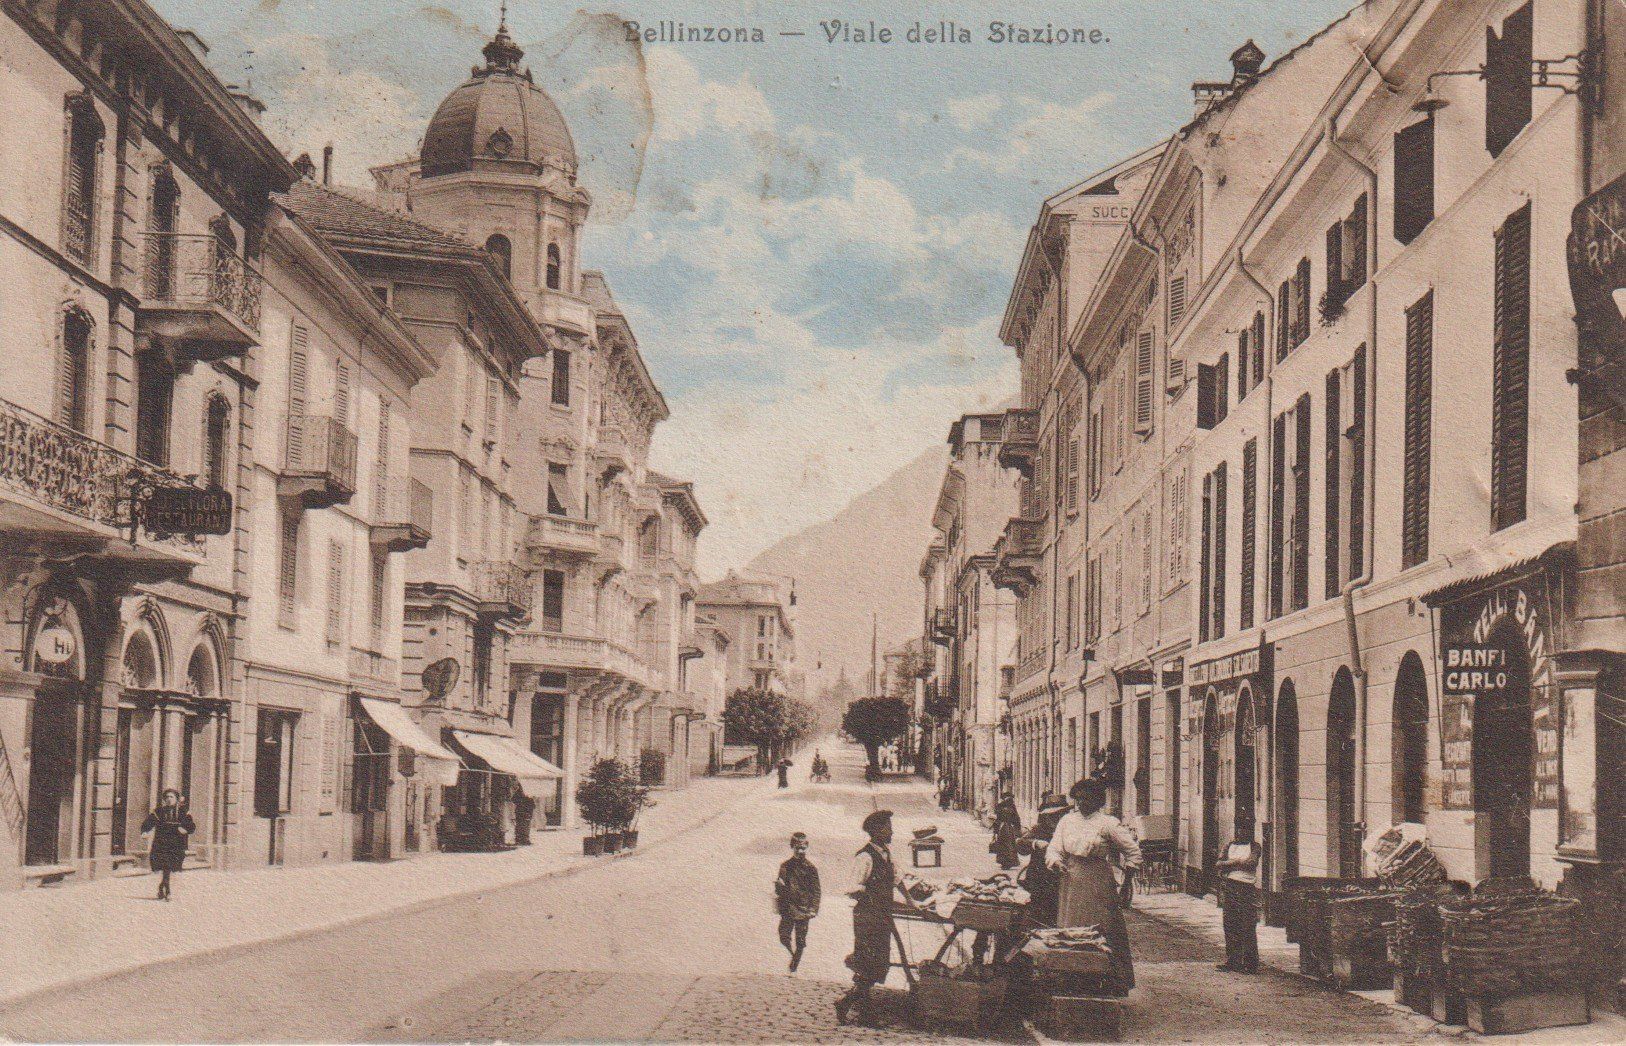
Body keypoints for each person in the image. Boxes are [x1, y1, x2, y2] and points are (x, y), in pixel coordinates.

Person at [1046, 778, 1141, 994]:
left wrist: (1127, 882)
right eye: (1078, 798)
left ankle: (1104, 981)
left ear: (1098, 800)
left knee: (1102, 928)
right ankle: (1072, 980)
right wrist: (1056, 862)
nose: (1082, 803)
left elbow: (1133, 852)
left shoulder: (1108, 823)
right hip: (1071, 879)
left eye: (1087, 798)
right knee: (1071, 928)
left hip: (1098, 881)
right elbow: (1054, 849)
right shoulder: (1066, 821)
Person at [836, 809, 897, 1026]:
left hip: (881, 915)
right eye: (888, 828)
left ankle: (848, 1003)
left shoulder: (886, 854)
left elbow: (897, 881)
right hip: (867, 917)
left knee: (879, 961)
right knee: (868, 961)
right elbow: (852, 888)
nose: (892, 832)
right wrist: (872, 895)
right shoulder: (864, 857)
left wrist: (913, 903)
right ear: (877, 831)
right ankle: (863, 1012)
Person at [1018, 793, 1072, 927]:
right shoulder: (1039, 829)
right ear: (1045, 816)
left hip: (1064, 877)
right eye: (1052, 815)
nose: (1056, 818)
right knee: (1039, 913)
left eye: (1060, 814)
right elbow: (1020, 845)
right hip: (1040, 878)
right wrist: (1035, 843)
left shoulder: (1070, 828)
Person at [775, 832, 822, 972]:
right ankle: (793, 956)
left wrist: (814, 909)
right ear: (792, 847)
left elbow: (817, 890)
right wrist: (779, 887)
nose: (801, 851)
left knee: (800, 941)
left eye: (803, 848)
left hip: (804, 908)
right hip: (788, 908)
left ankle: (794, 965)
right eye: (797, 848)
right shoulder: (785, 866)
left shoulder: (811, 868)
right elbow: (779, 888)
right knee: (784, 937)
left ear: (807, 847)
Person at [1215, 830, 1260, 974]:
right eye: (1239, 829)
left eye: (1245, 828)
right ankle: (1233, 961)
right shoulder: (1228, 846)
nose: (1241, 833)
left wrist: (1230, 865)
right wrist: (1237, 862)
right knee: (1230, 924)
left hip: (1247, 889)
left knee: (1247, 925)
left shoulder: (1255, 846)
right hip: (1230, 887)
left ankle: (1250, 963)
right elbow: (1219, 863)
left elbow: (1251, 863)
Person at [141, 788, 195, 901]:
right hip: (161, 842)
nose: (169, 799)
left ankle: (163, 886)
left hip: (176, 843)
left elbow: (191, 825)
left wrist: (184, 829)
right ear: (164, 799)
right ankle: (167, 889)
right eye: (167, 797)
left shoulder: (183, 811)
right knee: (166, 866)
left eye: (172, 797)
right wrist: (145, 831)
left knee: (170, 866)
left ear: (176, 799)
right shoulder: (159, 811)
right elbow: (149, 821)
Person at [991, 795, 1022, 870]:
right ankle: (1010, 861)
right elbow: (1016, 820)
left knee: (1003, 845)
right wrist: (1018, 829)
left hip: (1002, 829)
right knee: (1010, 845)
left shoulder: (1001, 808)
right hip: (1009, 828)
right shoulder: (1012, 808)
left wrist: (995, 831)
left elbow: (997, 820)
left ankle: (1003, 861)